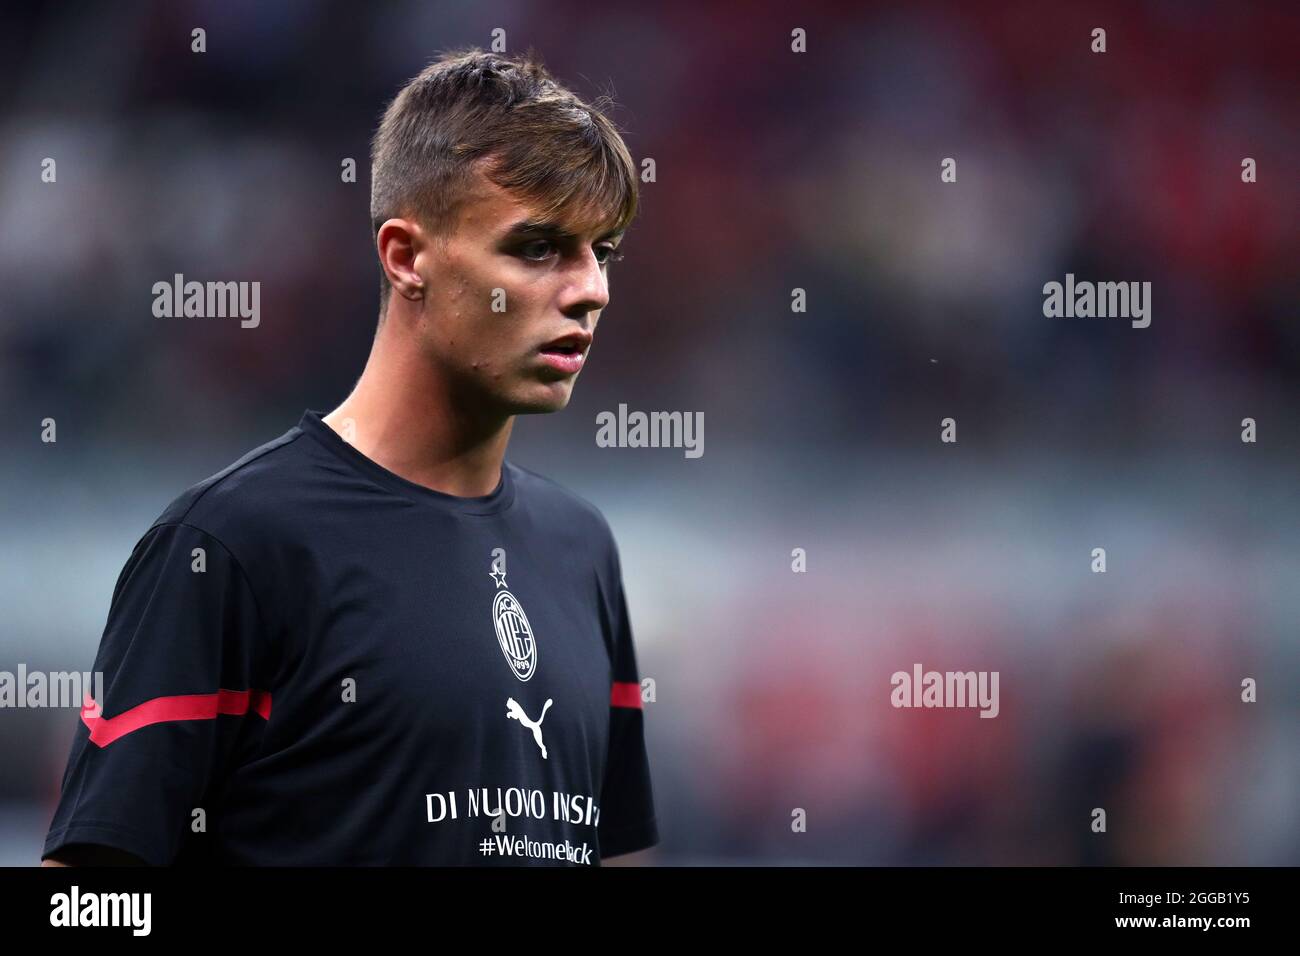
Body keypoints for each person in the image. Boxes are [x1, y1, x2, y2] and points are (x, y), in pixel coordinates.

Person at [42, 47, 657, 866]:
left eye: (602, 251)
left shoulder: (581, 551)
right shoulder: (232, 546)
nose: (591, 289)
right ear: (407, 258)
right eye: (538, 249)